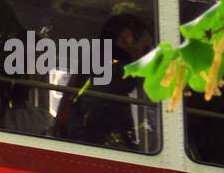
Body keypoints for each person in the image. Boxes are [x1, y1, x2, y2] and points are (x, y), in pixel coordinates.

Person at [55, 12, 155, 150]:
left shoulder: (95, 66)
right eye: (146, 50)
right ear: (126, 38)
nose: (147, 58)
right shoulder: (112, 75)